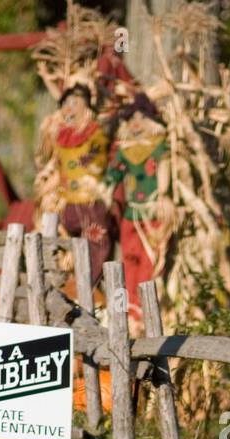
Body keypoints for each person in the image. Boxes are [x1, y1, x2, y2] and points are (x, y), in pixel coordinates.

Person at [105, 94, 173, 333]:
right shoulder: (125, 151)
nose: (135, 123)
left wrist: (163, 196)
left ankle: (146, 313)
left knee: (149, 262)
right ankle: (130, 312)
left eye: (140, 117)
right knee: (130, 259)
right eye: (131, 118)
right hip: (131, 214)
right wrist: (103, 192)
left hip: (151, 213)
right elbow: (112, 176)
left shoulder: (158, 146)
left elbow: (164, 172)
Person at [35, 84, 114, 285]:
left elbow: (97, 162)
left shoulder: (95, 135)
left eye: (74, 104)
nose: (68, 110)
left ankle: (87, 289)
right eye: (65, 105)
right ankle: (61, 286)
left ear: (87, 109)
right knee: (58, 247)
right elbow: (53, 165)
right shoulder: (60, 138)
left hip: (89, 203)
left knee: (97, 246)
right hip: (66, 204)